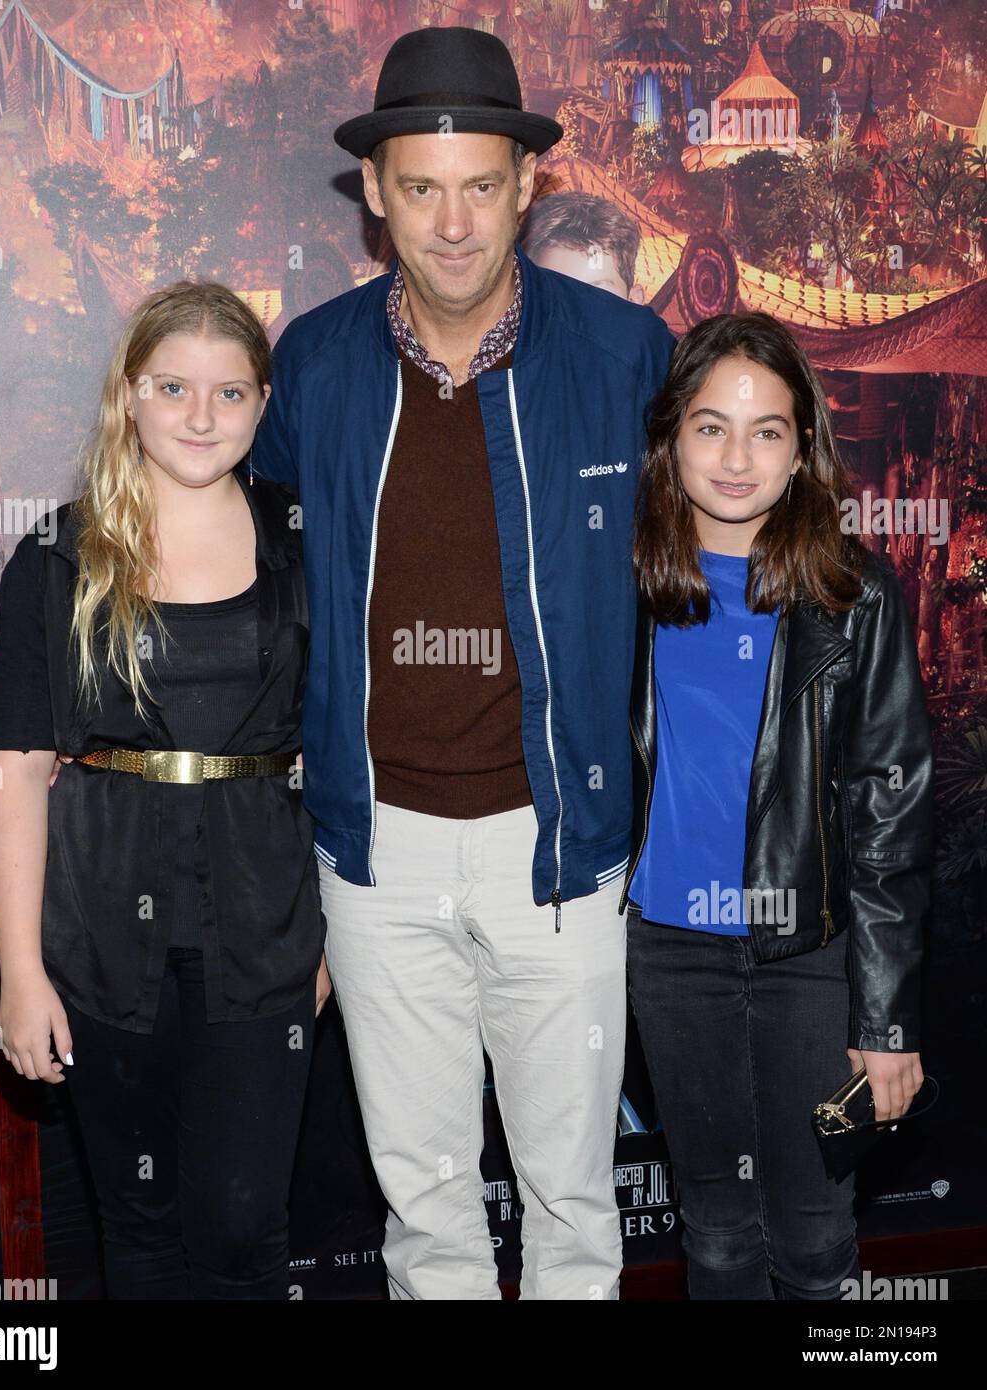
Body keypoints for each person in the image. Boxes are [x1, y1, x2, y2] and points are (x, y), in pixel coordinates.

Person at [252, 26, 676, 1300]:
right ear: (374, 191)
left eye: (479, 185)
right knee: (425, 1207)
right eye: (421, 187)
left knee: (573, 1203)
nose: (451, 221)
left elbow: (706, 583)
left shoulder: (623, 358)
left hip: (561, 843)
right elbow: (261, 609)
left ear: (525, 186)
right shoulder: (313, 369)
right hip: (373, 855)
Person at [0, 281, 329, 1300]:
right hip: (98, 931)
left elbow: (353, 756)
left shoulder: (303, 535)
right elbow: (16, 773)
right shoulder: (55, 553)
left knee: (244, 1225)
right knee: (140, 1229)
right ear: (128, 393)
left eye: (229, 393)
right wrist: (23, 978)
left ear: (264, 404)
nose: (200, 416)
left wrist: (337, 935)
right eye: (172, 386)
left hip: (265, 926)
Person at [619, 309, 933, 1300]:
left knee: (811, 1240)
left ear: (803, 448)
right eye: (710, 425)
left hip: (807, 952)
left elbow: (889, 811)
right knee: (712, 1237)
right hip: (669, 950)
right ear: (671, 435)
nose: (736, 457)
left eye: (767, 430)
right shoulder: (621, 583)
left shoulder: (853, 592)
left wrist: (884, 1021)